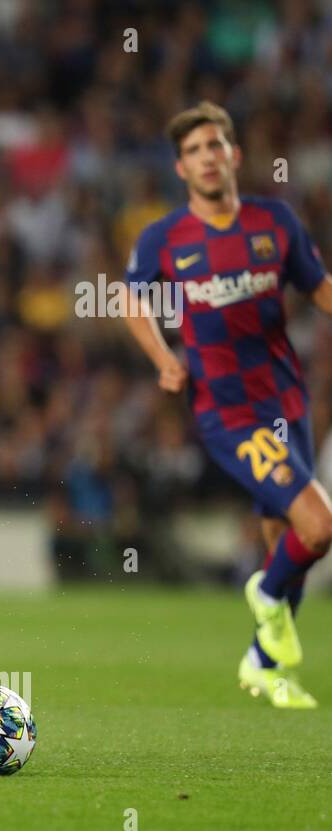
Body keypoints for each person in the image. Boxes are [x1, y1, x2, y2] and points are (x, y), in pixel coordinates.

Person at [123, 101, 332, 708]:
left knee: (284, 540)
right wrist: (164, 359)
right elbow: (132, 300)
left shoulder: (275, 222)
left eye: (215, 145)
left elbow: (318, 287)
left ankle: (263, 665)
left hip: (290, 405)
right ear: (181, 168)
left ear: (233, 155)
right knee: (317, 526)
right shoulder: (164, 238)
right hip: (228, 413)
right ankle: (265, 597)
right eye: (193, 151)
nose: (207, 157)